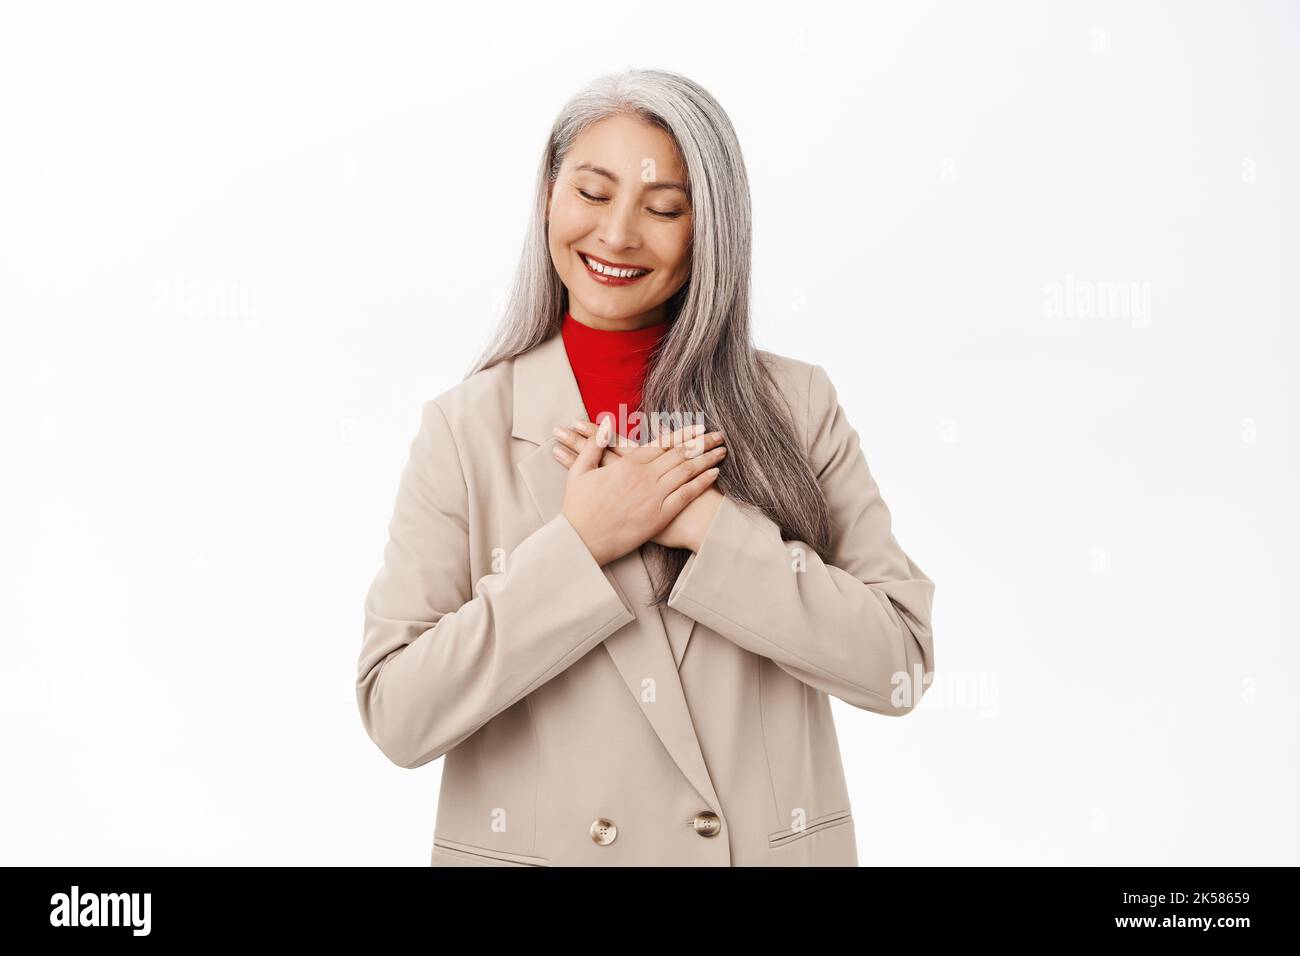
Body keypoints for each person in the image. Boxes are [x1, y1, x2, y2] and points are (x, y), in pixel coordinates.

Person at [356, 68, 936, 866]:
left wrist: (709, 528)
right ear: (548, 199)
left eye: (664, 208)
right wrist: (578, 546)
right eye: (592, 193)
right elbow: (398, 713)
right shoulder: (464, 429)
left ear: (711, 232)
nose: (619, 234)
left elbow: (896, 665)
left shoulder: (796, 406)